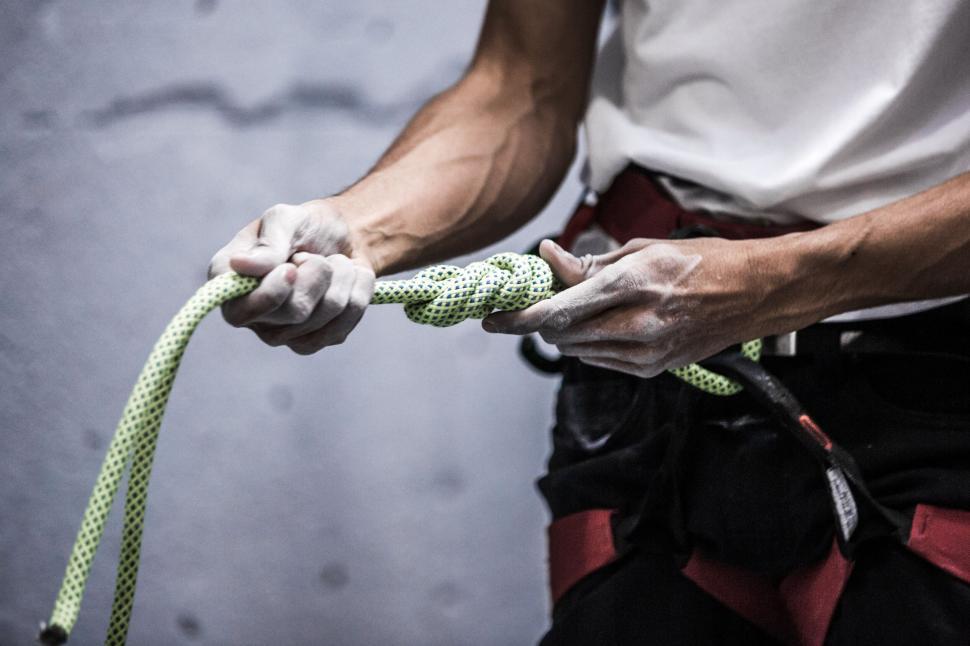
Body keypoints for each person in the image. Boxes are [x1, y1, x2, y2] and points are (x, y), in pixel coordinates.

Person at [208, 1, 970, 643]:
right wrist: (357, 231)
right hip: (646, 384)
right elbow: (520, 88)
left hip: (932, 373)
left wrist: (780, 279)